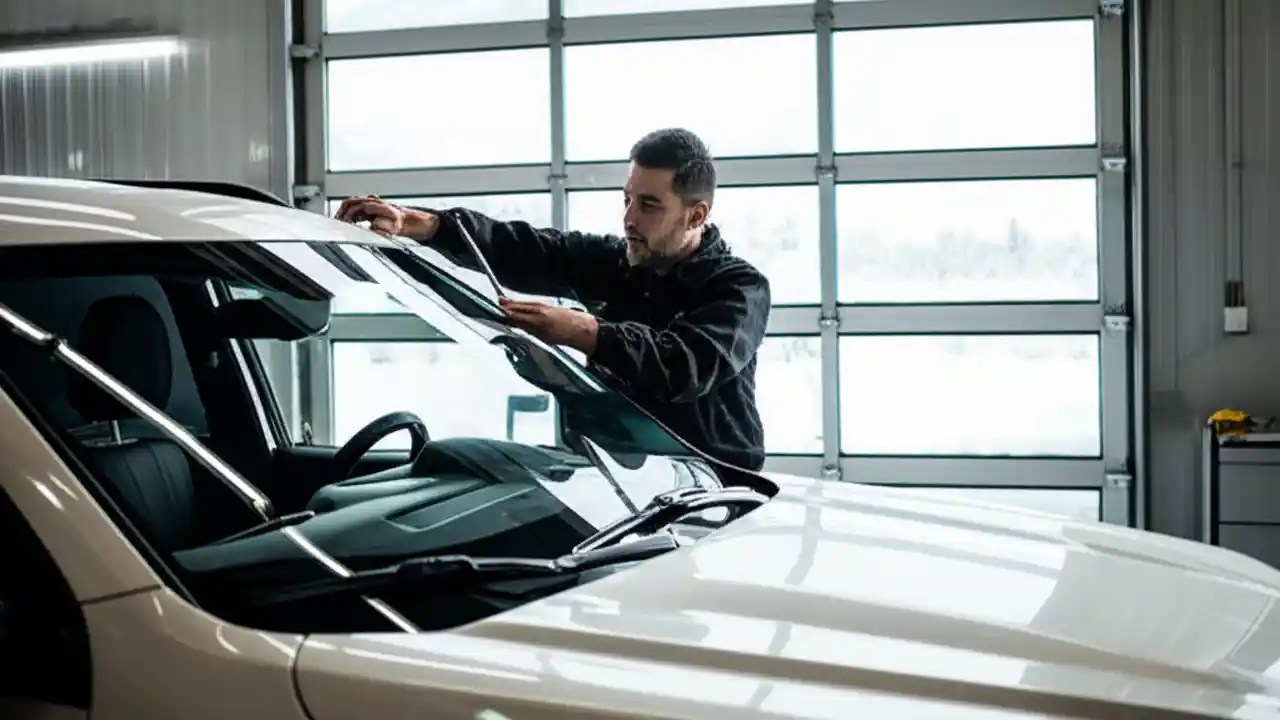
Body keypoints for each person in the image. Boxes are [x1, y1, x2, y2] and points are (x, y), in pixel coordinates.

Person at [334, 128, 772, 471]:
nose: (628, 219)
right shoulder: (618, 263)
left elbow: (682, 366)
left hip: (715, 498)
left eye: (649, 205)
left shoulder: (740, 290)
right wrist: (423, 225)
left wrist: (584, 332)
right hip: (617, 486)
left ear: (696, 215)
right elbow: (528, 247)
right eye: (626, 199)